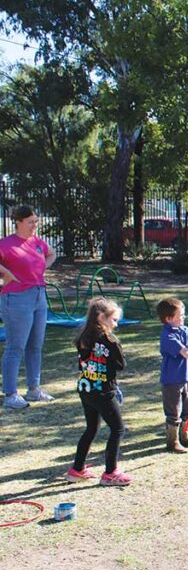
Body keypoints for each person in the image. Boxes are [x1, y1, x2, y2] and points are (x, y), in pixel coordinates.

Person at [66, 298, 132, 486]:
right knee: (117, 429)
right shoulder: (109, 341)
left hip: (86, 387)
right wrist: (115, 347)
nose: (116, 324)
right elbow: (121, 365)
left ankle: (77, 469)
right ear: (101, 317)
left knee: (91, 428)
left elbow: (83, 362)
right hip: (103, 390)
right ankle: (110, 472)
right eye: (114, 320)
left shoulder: (83, 337)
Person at [0, 205, 58, 409]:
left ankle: (33, 389)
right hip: (16, 298)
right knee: (16, 346)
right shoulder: (6, 244)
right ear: (19, 222)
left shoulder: (37, 242)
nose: (35, 225)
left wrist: (42, 266)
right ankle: (10, 394)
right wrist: (5, 274)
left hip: (38, 295)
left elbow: (52, 254)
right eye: (31, 222)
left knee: (35, 345)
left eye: (36, 221)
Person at [156, 298, 188, 453]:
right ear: (168, 319)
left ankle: (185, 436)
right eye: (180, 316)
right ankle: (173, 442)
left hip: (185, 377)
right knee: (174, 411)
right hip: (172, 380)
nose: (183, 318)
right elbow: (184, 352)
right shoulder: (167, 335)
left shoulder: (183, 329)